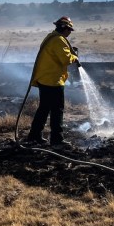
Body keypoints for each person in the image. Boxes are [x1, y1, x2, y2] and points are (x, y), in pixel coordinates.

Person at [25, 16, 80, 146]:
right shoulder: (59, 40)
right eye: (69, 29)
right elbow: (65, 60)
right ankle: (57, 139)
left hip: (45, 79)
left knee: (44, 108)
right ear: (64, 28)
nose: (70, 32)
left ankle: (34, 136)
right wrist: (74, 57)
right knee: (57, 110)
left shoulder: (51, 37)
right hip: (53, 81)